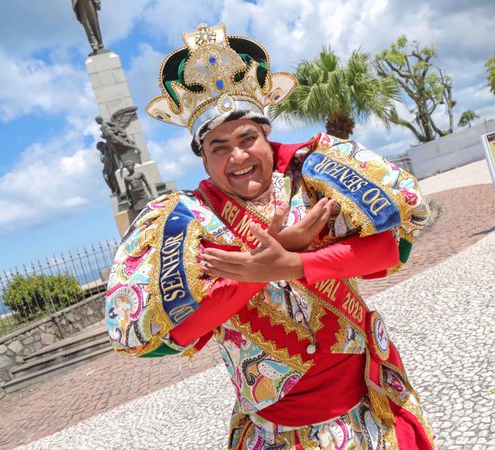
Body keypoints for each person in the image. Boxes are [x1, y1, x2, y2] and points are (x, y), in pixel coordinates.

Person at [106, 23, 435, 449]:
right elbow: (161, 338)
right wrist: (262, 271)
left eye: (247, 138)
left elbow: (392, 247)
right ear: (204, 161)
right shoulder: (186, 222)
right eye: (219, 147)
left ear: (267, 135)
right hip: (280, 433)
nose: (237, 156)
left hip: (370, 408)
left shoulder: (313, 174)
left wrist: (294, 263)